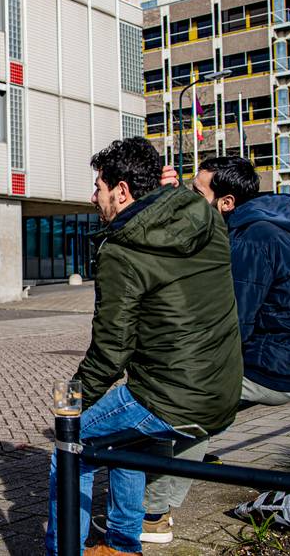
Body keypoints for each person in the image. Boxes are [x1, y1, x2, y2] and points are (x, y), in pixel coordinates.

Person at [44, 137, 242, 556]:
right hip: (223, 388)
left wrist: (70, 403)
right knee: (121, 440)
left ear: (122, 190)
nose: (93, 197)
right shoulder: (208, 219)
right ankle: (121, 545)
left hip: (171, 397)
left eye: (98, 187)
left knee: (68, 451)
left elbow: (111, 350)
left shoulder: (121, 250)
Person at [140, 156, 290, 544]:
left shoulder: (251, 240)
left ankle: (153, 516)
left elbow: (231, 325)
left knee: (179, 404)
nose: (191, 198)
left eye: (197, 192)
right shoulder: (266, 227)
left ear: (225, 203)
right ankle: (192, 461)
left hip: (276, 367)